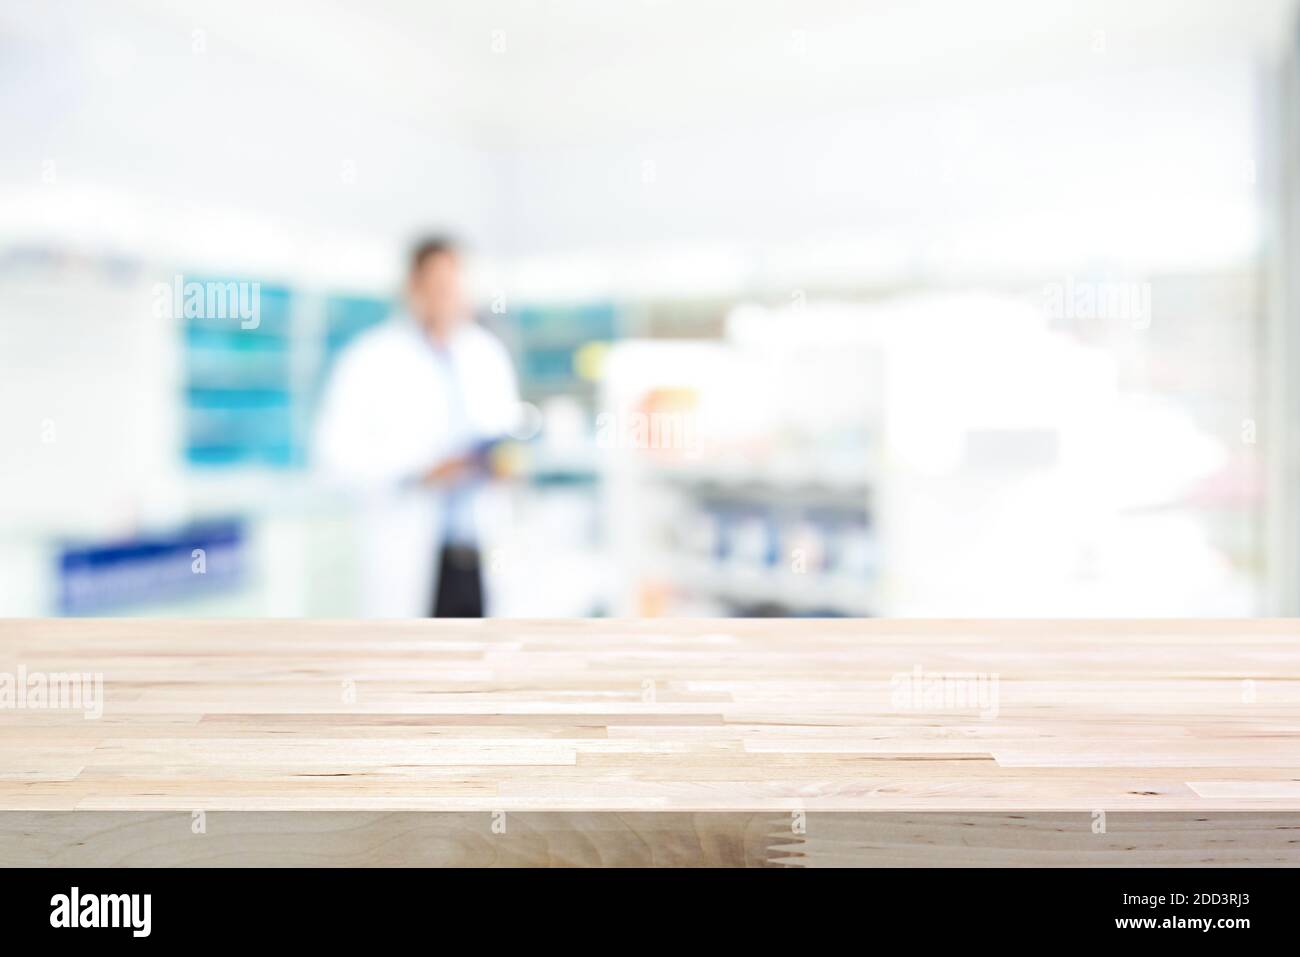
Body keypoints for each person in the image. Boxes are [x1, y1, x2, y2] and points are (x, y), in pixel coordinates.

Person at [315, 237, 520, 617]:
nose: (447, 297)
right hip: (409, 549)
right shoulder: (370, 359)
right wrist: (420, 471)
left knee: (482, 664)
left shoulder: (487, 355)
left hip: (478, 553)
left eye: (454, 286)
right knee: (415, 666)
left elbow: (507, 432)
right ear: (413, 288)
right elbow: (335, 457)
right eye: (437, 286)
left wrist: (505, 463)